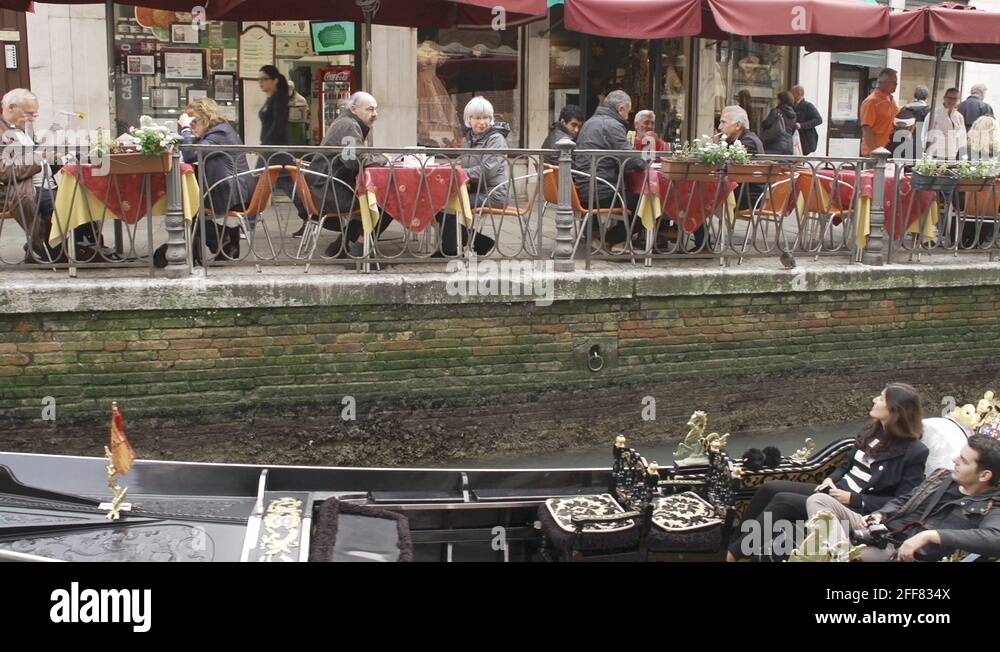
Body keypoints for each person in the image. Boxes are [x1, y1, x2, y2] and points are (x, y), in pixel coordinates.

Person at [727, 383, 929, 562]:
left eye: (881, 398)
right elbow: (845, 466)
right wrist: (831, 479)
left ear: (895, 410)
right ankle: (734, 544)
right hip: (835, 492)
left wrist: (855, 499)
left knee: (783, 500)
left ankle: (733, 555)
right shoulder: (872, 430)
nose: (874, 399)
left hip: (857, 511)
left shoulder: (914, 451)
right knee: (770, 488)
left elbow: (904, 502)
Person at [807, 433, 1000, 562]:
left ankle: (839, 552)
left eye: (964, 461)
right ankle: (840, 551)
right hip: (883, 529)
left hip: (896, 551)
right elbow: (904, 499)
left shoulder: (992, 505)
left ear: (984, 476)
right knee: (818, 501)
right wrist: (880, 515)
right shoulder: (942, 476)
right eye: (959, 456)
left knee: (844, 552)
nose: (954, 461)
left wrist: (930, 535)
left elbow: (995, 538)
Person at [306, 92, 391, 260]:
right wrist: (384, 158)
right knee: (389, 198)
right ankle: (359, 248)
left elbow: (354, 158)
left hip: (327, 187)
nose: (375, 114)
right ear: (354, 109)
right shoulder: (348, 125)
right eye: (370, 109)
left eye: (376, 109)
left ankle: (341, 246)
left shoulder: (347, 123)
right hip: (332, 192)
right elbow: (353, 161)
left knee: (380, 196)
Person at [176, 98, 256, 264]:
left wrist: (184, 128)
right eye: (190, 124)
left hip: (233, 193)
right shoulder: (220, 131)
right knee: (187, 205)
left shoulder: (220, 133)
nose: (192, 127)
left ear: (206, 117)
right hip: (230, 189)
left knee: (186, 207)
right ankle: (223, 239)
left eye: (194, 122)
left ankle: (222, 238)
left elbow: (191, 155)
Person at [572, 90, 647, 249]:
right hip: (602, 190)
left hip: (585, 187)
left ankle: (597, 236)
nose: (628, 116)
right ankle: (608, 239)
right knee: (649, 205)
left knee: (638, 199)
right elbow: (631, 160)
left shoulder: (590, 122)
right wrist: (646, 160)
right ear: (620, 109)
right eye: (628, 111)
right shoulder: (612, 125)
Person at [434, 96, 500, 256]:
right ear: (468, 119)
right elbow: (466, 166)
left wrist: (461, 172)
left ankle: (450, 250)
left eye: (486, 118)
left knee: (445, 205)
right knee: (434, 202)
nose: (482, 122)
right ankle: (478, 241)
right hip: (475, 189)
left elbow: (488, 169)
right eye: (477, 118)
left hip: (493, 193)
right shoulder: (469, 139)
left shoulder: (496, 139)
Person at [258, 65, 307, 236]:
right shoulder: (271, 99)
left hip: (275, 149)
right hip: (271, 149)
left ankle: (248, 221)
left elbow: (278, 126)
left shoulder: (279, 99)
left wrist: (266, 147)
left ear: (275, 80)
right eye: (260, 79)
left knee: (261, 182)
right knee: (286, 183)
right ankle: (308, 214)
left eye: (264, 79)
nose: (261, 83)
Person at [716, 105, 765, 210]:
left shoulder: (748, 142)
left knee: (698, 192)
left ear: (738, 125)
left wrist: (717, 150)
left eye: (723, 122)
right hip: (739, 192)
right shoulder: (736, 141)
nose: (720, 127)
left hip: (747, 198)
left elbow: (726, 169)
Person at [860, 68, 900, 156]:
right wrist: (875, 151)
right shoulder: (872, 101)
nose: (896, 85)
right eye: (894, 82)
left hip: (887, 150)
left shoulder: (890, 99)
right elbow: (866, 128)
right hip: (874, 152)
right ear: (883, 82)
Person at [925, 87, 967, 161]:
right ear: (944, 98)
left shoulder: (959, 116)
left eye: (955, 99)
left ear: (958, 101)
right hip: (935, 154)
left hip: (952, 155)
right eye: (950, 98)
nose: (952, 101)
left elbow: (962, 137)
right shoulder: (934, 114)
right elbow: (925, 133)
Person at [892, 85, 930, 158]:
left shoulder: (904, 108)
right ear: (926, 97)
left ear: (914, 95)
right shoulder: (927, 111)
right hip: (918, 144)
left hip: (899, 143)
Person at [760, 91, 797, 155]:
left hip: (775, 145)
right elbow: (793, 130)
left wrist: (762, 123)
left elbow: (767, 124)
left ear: (781, 100)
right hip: (789, 146)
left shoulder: (776, 111)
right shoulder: (794, 115)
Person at [791, 85, 823, 156]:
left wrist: (802, 125)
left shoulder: (808, 106)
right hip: (795, 137)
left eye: (792, 93)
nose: (791, 96)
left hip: (805, 138)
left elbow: (819, 119)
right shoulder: (792, 106)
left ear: (798, 94)